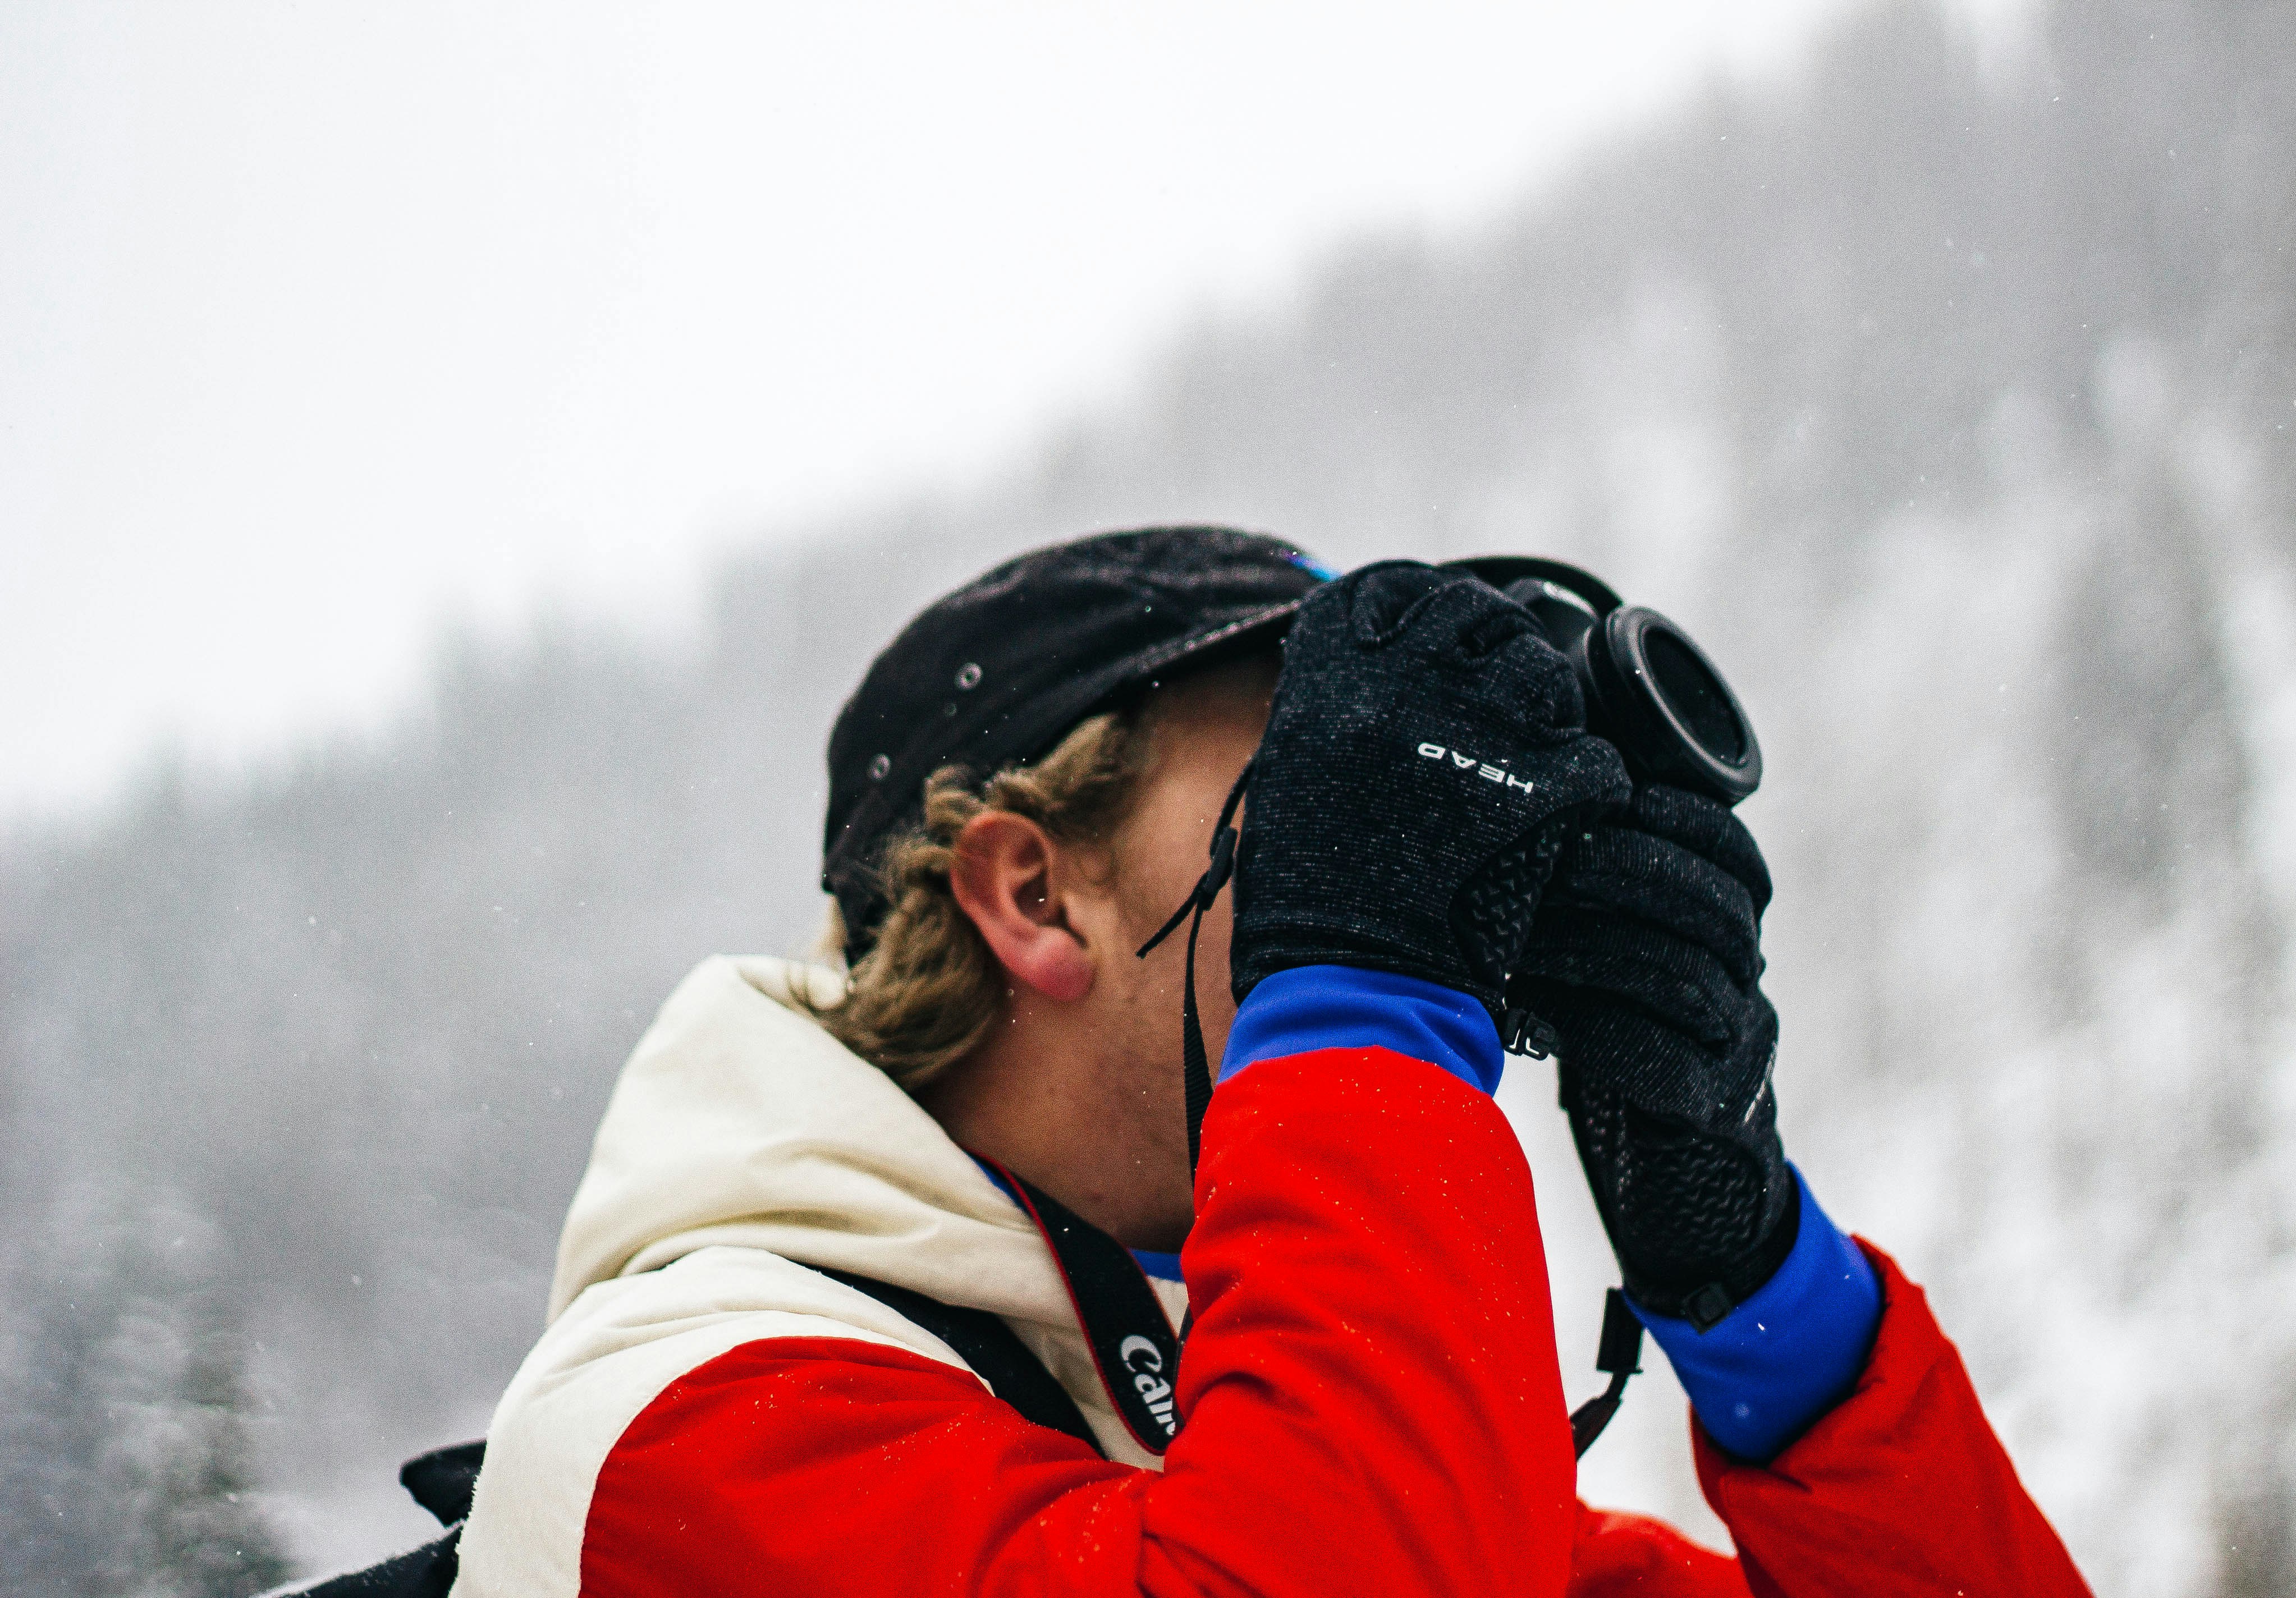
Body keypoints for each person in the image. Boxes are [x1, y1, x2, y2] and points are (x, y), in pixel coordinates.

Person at [450, 526, 2092, 1597]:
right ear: (1033, 893)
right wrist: (1364, 1001)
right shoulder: (673, 1434)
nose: (1387, 877)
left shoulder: (1250, 1436)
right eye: (1293, 814)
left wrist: (1763, 1299)